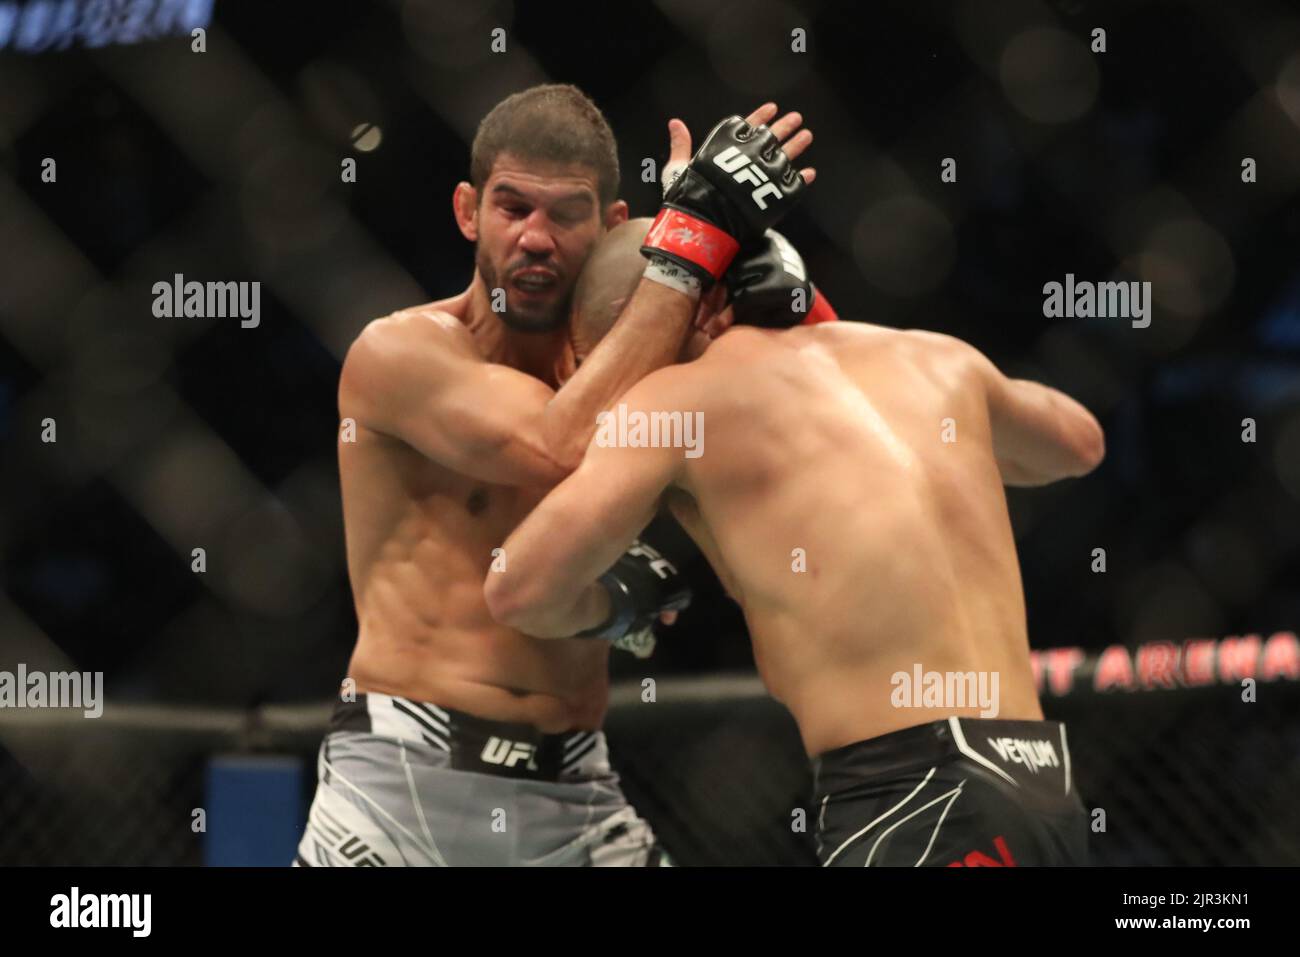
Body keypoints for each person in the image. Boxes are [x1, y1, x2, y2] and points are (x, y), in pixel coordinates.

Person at [295, 83, 816, 866]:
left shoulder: (651, 368)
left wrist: (747, 284)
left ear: (609, 223)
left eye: (565, 213)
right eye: (513, 208)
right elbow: (555, 444)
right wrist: (692, 238)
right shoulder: (399, 355)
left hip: (573, 789)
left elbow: (772, 532)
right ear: (469, 211)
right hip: (401, 789)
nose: (535, 237)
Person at [483, 226, 1104, 866]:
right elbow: (1078, 443)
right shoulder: (935, 359)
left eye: (607, 357)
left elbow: (518, 589)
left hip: (912, 795)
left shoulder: (674, 403)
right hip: (1041, 783)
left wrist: (615, 605)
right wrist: (810, 310)